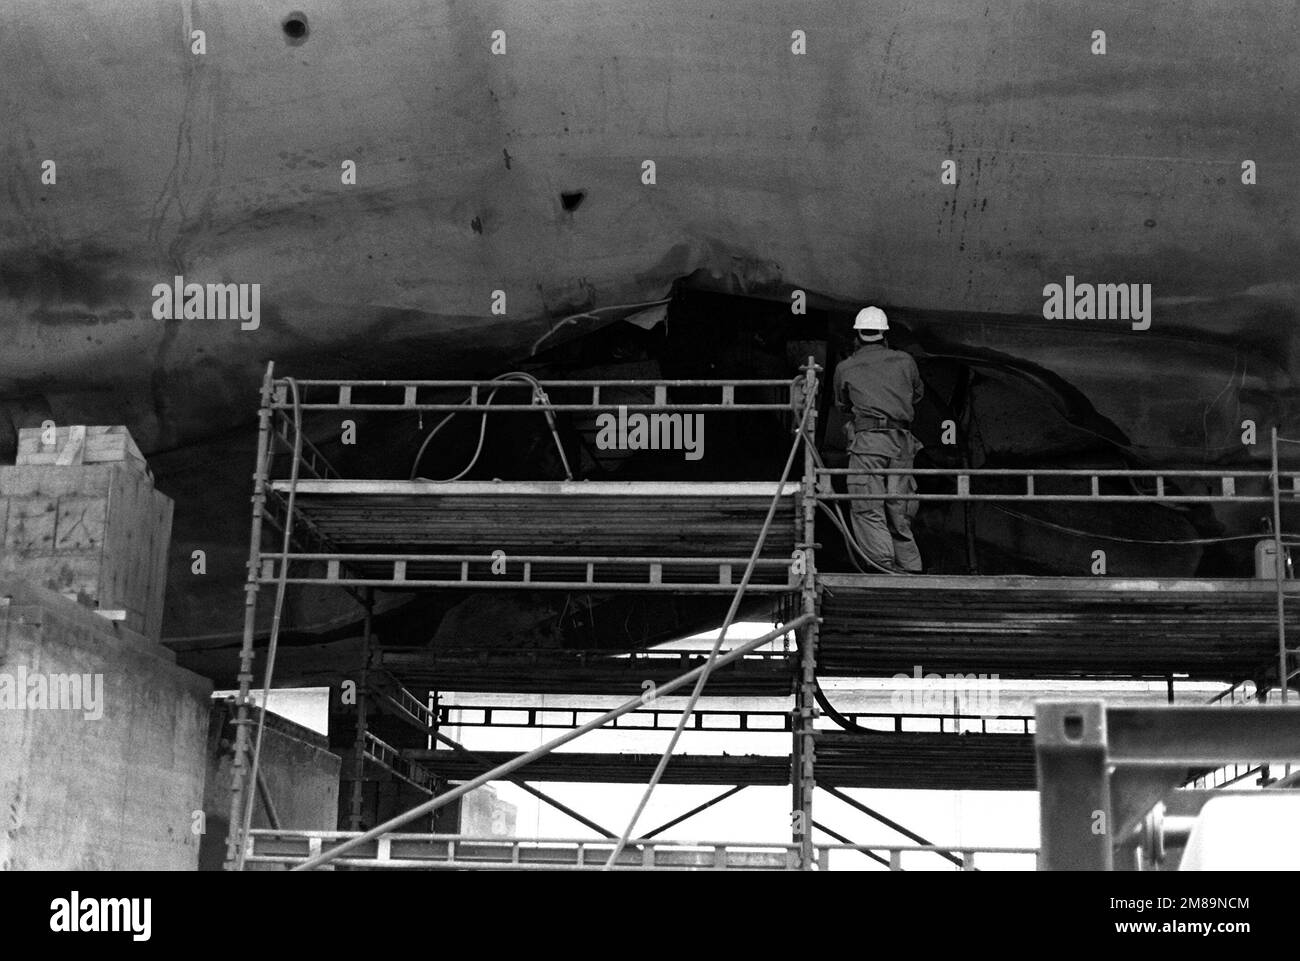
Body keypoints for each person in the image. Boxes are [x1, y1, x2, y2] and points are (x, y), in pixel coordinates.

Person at [833, 306, 924, 573]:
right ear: (885, 335)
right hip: (902, 442)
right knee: (900, 507)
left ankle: (883, 566)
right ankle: (912, 568)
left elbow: (842, 405)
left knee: (867, 505)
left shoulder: (845, 367)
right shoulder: (906, 361)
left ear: (857, 336)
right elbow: (917, 394)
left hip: (869, 443)